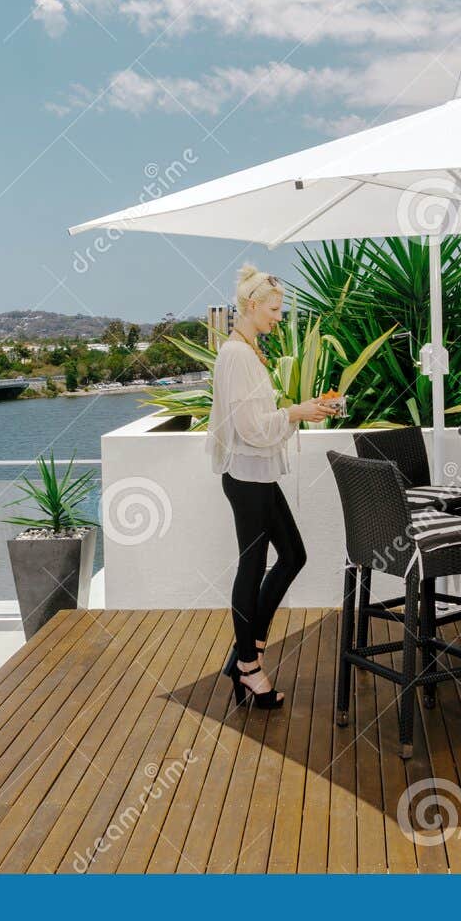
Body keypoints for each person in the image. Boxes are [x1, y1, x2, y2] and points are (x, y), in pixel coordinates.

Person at [207, 264, 336, 709]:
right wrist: (297, 413)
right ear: (252, 305)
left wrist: (304, 408)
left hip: (255, 474)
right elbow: (250, 428)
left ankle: (247, 652)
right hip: (248, 476)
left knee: (292, 555)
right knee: (253, 566)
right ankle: (248, 667)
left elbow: (257, 417)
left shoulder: (245, 349)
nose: (279, 318)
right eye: (275, 310)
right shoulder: (239, 355)